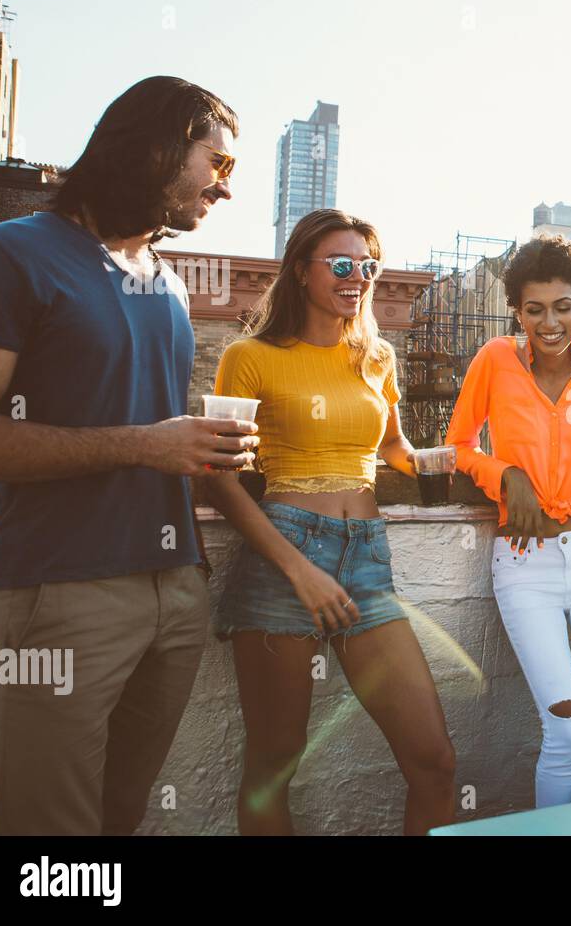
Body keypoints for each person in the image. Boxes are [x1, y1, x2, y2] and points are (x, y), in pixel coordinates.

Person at [0, 76, 252, 835]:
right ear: (157, 145)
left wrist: (195, 446)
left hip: (176, 589)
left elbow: (135, 422)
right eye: (217, 164)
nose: (225, 189)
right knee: (47, 832)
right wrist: (143, 444)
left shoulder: (170, 285)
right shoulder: (3, 254)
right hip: (62, 589)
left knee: (117, 822)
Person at [205, 208, 455, 835]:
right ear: (299, 271)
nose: (359, 277)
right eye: (342, 264)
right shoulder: (250, 356)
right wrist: (298, 571)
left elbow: (390, 446)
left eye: (368, 266)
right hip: (283, 556)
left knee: (434, 760)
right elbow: (219, 476)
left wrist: (433, 460)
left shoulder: (376, 358)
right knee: (272, 768)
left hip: (366, 562)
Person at [447, 235, 571, 807]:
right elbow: (458, 445)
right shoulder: (495, 360)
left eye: (563, 306)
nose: (550, 321)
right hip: (526, 565)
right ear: (518, 311)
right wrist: (505, 474)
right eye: (534, 310)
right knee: (568, 727)